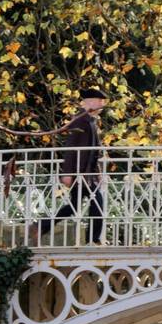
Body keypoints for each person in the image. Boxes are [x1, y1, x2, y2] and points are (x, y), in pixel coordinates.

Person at [34, 86, 108, 244]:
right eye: (99, 100)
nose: (102, 104)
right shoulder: (81, 120)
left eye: (103, 101)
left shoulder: (90, 121)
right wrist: (67, 172)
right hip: (80, 174)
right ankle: (93, 240)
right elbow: (71, 148)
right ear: (89, 102)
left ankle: (41, 226)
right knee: (97, 204)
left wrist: (98, 172)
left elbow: (94, 151)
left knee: (73, 206)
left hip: (87, 174)